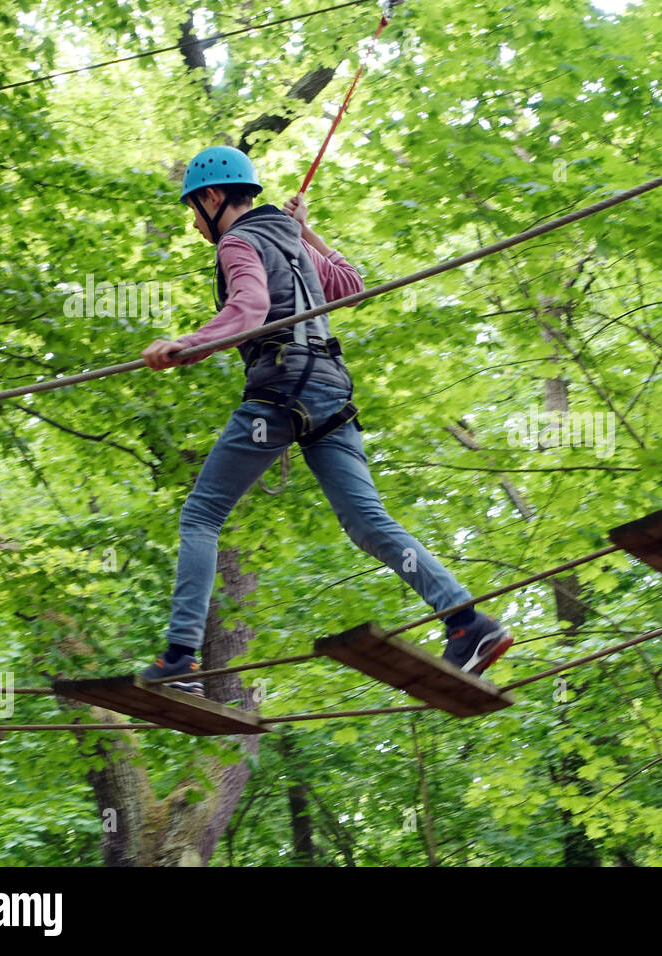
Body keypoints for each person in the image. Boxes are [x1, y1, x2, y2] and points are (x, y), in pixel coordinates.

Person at [138, 145, 511, 696]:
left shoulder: (238, 242)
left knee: (201, 516)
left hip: (281, 392)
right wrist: (306, 234)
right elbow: (350, 285)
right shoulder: (288, 241)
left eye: (194, 210)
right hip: (330, 394)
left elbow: (249, 311)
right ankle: (466, 622)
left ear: (214, 198)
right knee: (367, 523)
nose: (195, 225)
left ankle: (180, 659)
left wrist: (186, 346)